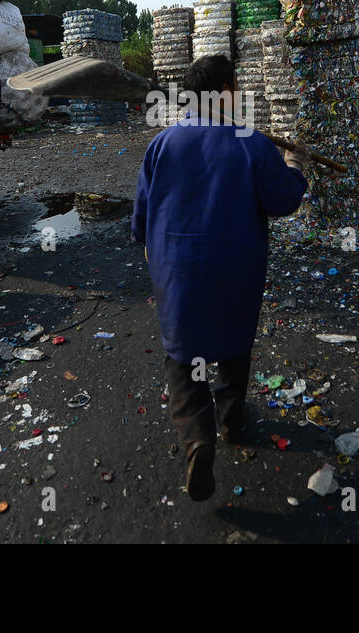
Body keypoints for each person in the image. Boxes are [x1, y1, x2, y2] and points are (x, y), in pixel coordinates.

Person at [131, 54, 308, 501]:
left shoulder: (163, 144)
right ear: (228, 90)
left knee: (183, 357)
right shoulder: (251, 142)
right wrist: (295, 164)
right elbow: (283, 199)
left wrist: (148, 242)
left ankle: (198, 439)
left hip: (176, 272)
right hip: (235, 268)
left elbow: (140, 217)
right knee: (232, 347)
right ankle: (231, 423)